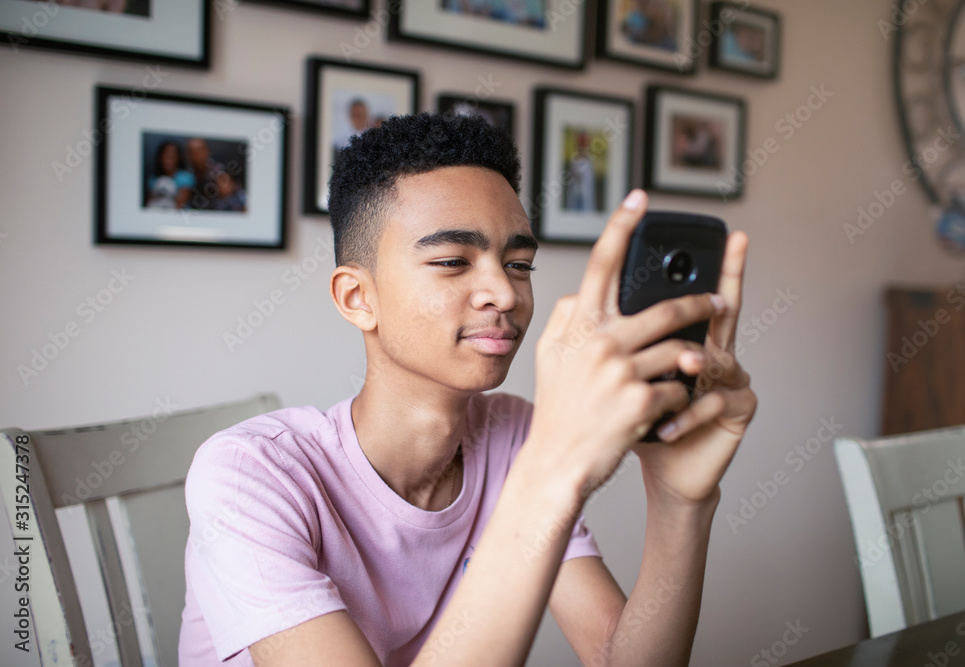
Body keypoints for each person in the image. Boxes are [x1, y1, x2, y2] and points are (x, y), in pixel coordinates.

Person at [178, 112, 756, 666]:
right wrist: (555, 470)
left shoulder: (513, 436)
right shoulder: (248, 474)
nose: (504, 294)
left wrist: (681, 502)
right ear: (358, 298)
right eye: (454, 260)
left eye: (519, 265)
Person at [144, 140, 194, 209]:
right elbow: (149, 204)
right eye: (166, 154)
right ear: (160, 157)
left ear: (179, 157)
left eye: (173, 154)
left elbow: (180, 205)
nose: (169, 157)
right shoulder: (153, 179)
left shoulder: (186, 177)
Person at [186, 137, 224, 210]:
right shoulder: (186, 173)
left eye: (199, 151)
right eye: (191, 152)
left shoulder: (218, 171)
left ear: (206, 151)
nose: (195, 155)